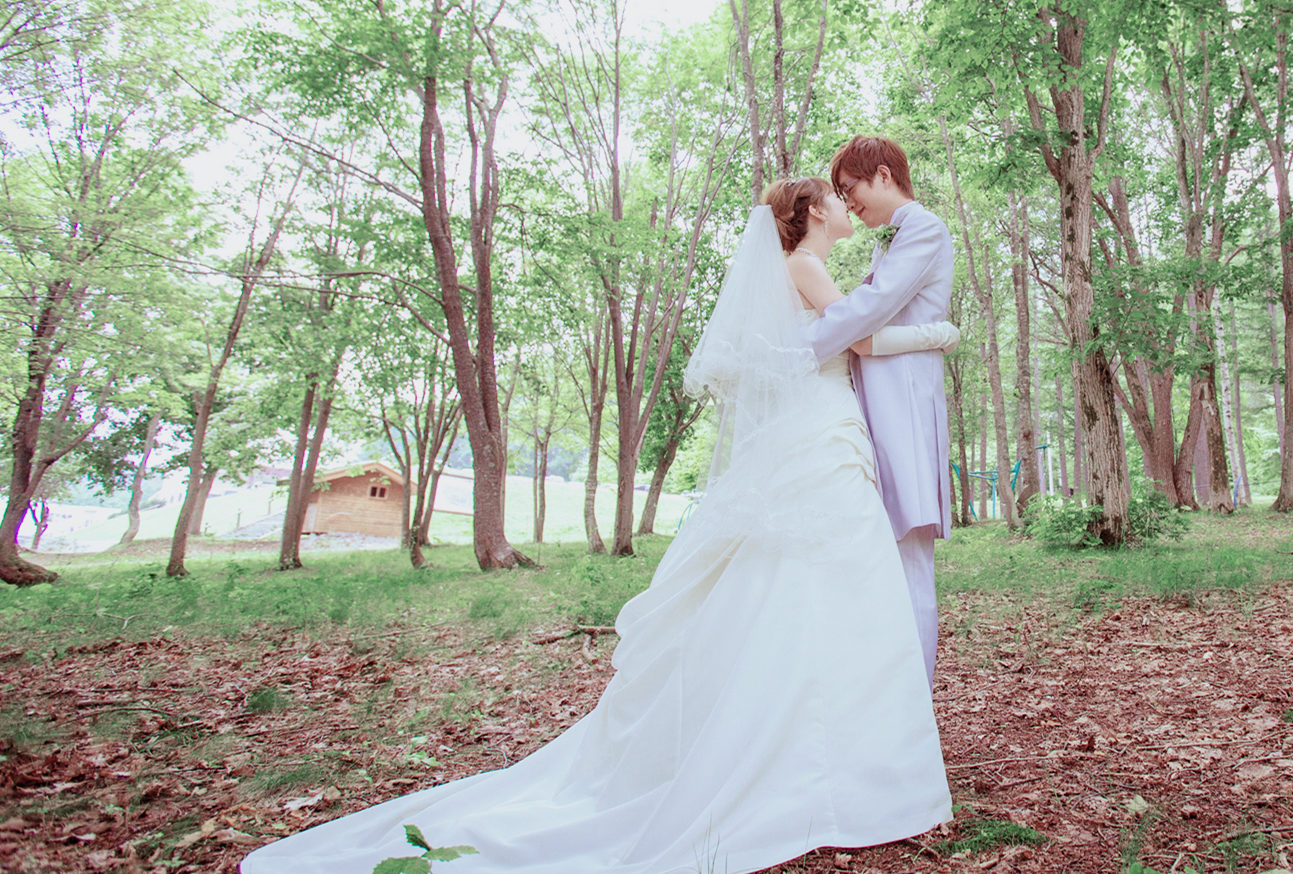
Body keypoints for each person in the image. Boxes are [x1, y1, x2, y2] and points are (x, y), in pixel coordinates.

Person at [239, 184, 956, 874]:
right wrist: (938, 332)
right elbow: (858, 342)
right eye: (831, 195)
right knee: (824, 584)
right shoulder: (804, 266)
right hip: (820, 432)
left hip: (817, 428)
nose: (841, 199)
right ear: (811, 213)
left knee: (813, 585)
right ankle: (825, 766)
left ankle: (826, 753)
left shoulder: (804, 268)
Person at [804, 136, 955, 686]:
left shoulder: (923, 228)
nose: (849, 202)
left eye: (851, 188)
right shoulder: (887, 241)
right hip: (876, 406)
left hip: (906, 407)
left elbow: (871, 309)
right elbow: (870, 322)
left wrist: (800, 351)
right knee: (883, 564)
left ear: (884, 176)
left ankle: (913, 705)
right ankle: (887, 699)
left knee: (910, 563)